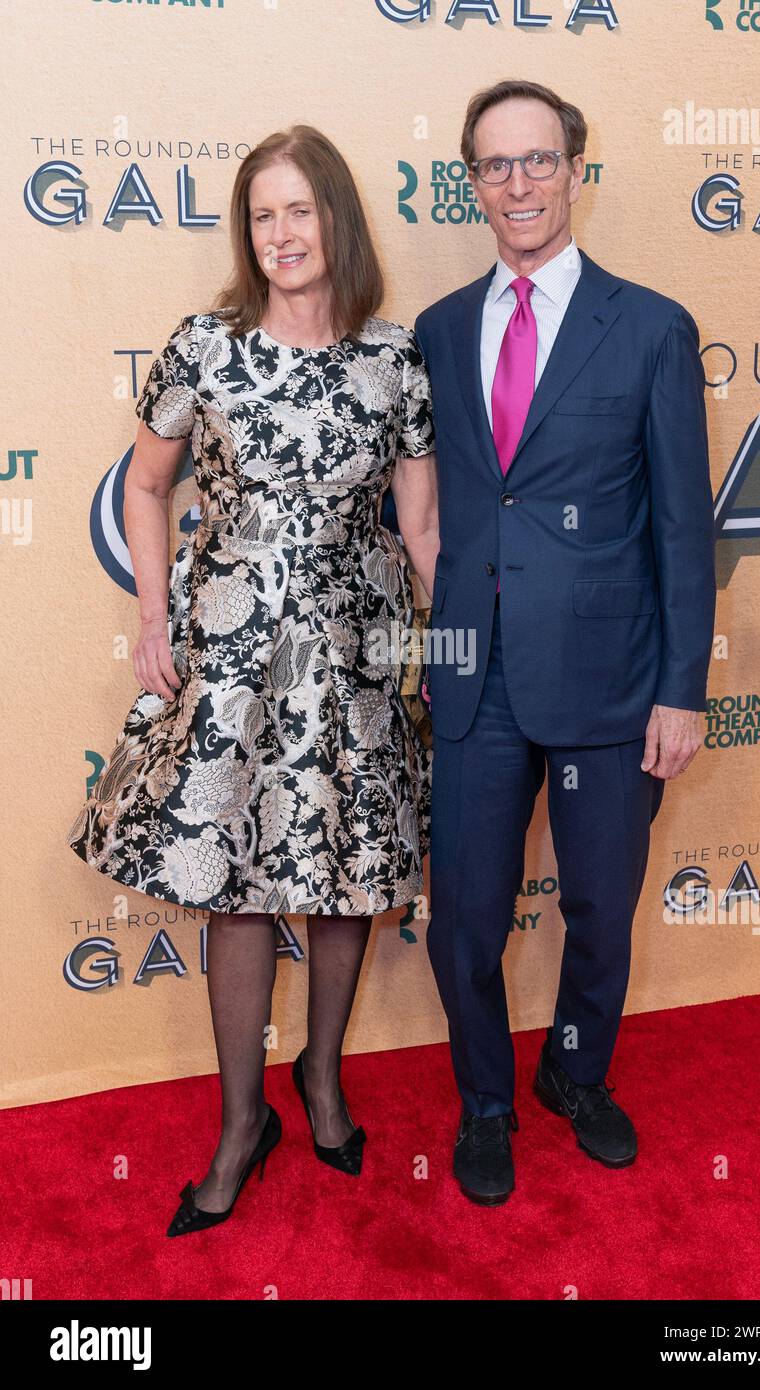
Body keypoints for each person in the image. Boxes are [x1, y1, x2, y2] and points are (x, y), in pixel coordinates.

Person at [66, 126, 439, 1233]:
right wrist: (151, 614)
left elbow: (420, 525)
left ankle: (319, 1082)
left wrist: (448, 655)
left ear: (336, 218)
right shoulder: (204, 347)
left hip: (357, 648)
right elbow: (145, 486)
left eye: (299, 210)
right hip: (232, 648)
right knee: (233, 883)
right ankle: (240, 1122)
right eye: (261, 215)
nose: (281, 233)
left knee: (340, 873)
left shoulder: (393, 355)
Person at [414, 80, 716, 1205]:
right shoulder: (439, 332)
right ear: (472, 185)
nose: (517, 184)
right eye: (494, 166)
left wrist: (679, 687)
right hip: (471, 677)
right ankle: (484, 1099)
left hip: (609, 679)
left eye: (538, 161)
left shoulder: (648, 327)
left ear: (575, 174)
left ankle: (573, 1073)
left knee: (598, 904)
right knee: (466, 921)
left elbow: (685, 525)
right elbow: (431, 511)